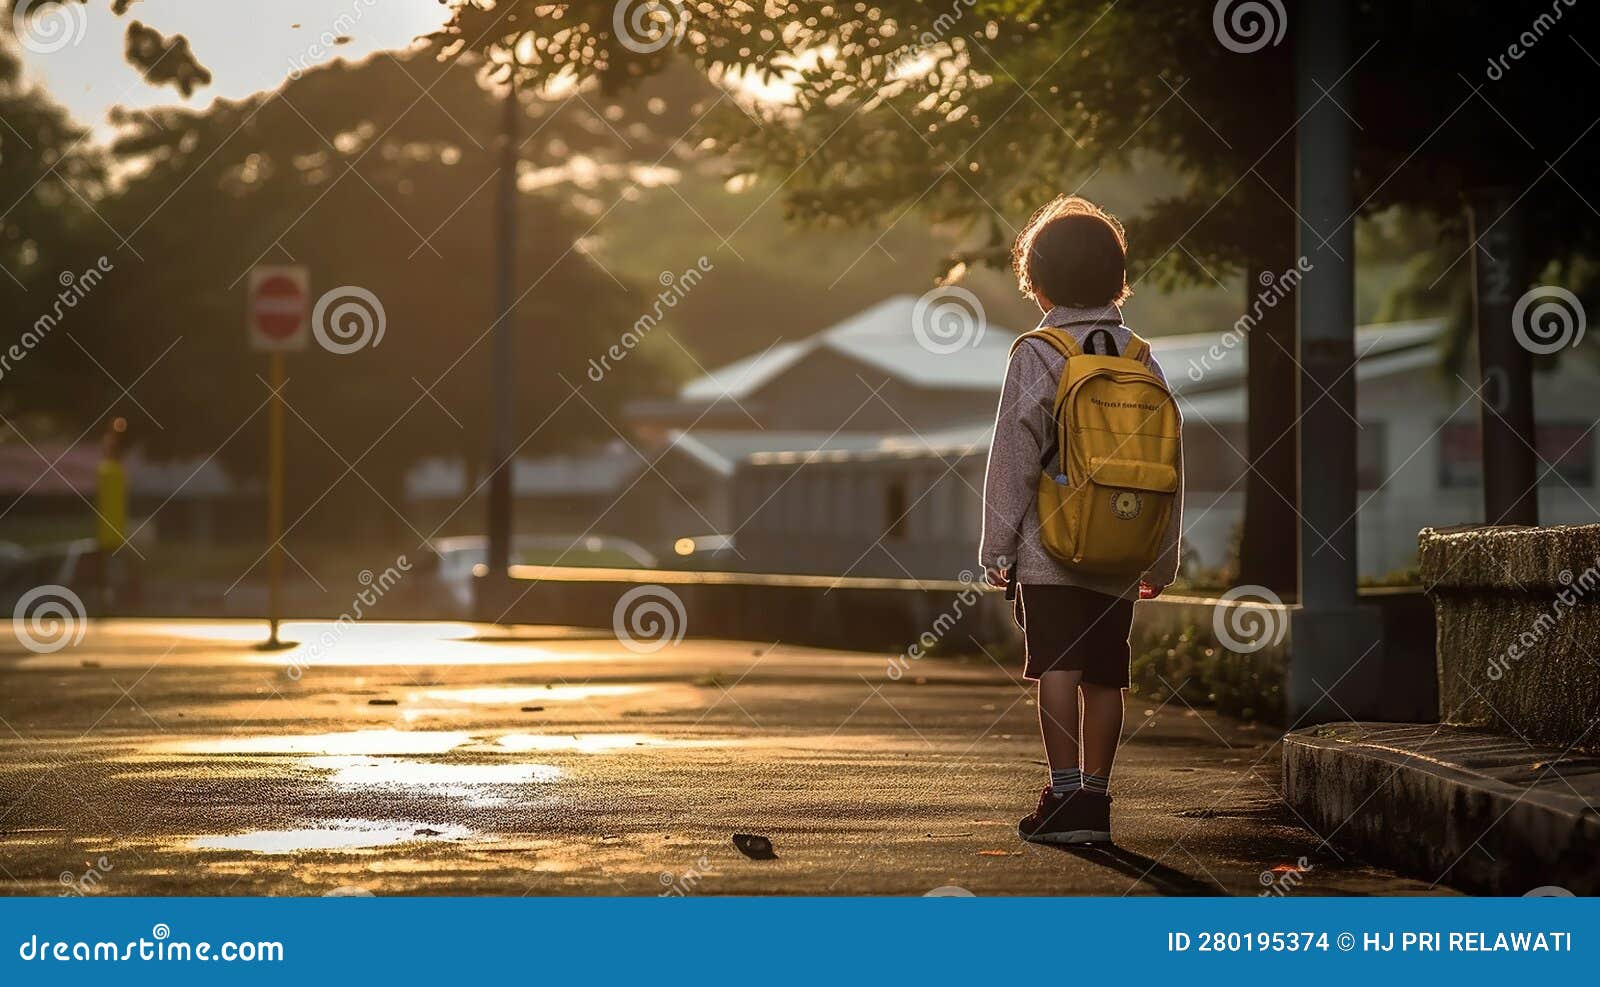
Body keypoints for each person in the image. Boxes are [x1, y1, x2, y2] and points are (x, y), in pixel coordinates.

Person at [980, 195, 1183, 845]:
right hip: (1122, 545)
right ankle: (1095, 800)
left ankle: (1062, 792)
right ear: (1117, 278)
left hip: (1051, 548)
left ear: (1036, 281)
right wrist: (1162, 555)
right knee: (1105, 675)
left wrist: (998, 544)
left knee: (1057, 668)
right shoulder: (1140, 355)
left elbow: (1014, 454)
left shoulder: (1038, 351)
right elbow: (1166, 463)